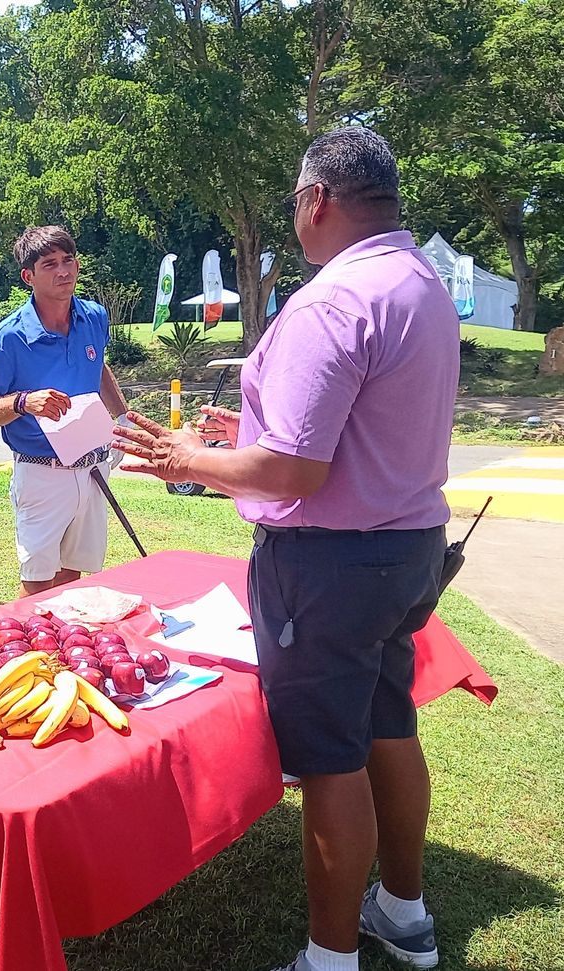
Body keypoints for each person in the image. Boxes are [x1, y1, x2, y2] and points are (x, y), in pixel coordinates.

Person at [113, 127, 458, 971]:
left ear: (316, 201)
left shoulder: (332, 300)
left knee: (331, 758)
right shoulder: (420, 282)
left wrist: (189, 457)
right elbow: (356, 426)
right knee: (387, 723)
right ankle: (403, 913)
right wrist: (253, 431)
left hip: (331, 566)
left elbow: (295, 469)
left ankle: (328, 960)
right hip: (407, 548)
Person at [0, 225, 128, 597]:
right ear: (29, 276)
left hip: (93, 466)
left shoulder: (94, 316)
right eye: (50, 264)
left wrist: (122, 418)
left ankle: (63, 636)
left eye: (68, 260)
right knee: (38, 582)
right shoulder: (7, 337)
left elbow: (98, 366)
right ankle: (31, 636)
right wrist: (23, 402)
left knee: (73, 573)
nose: (63, 271)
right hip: (42, 471)